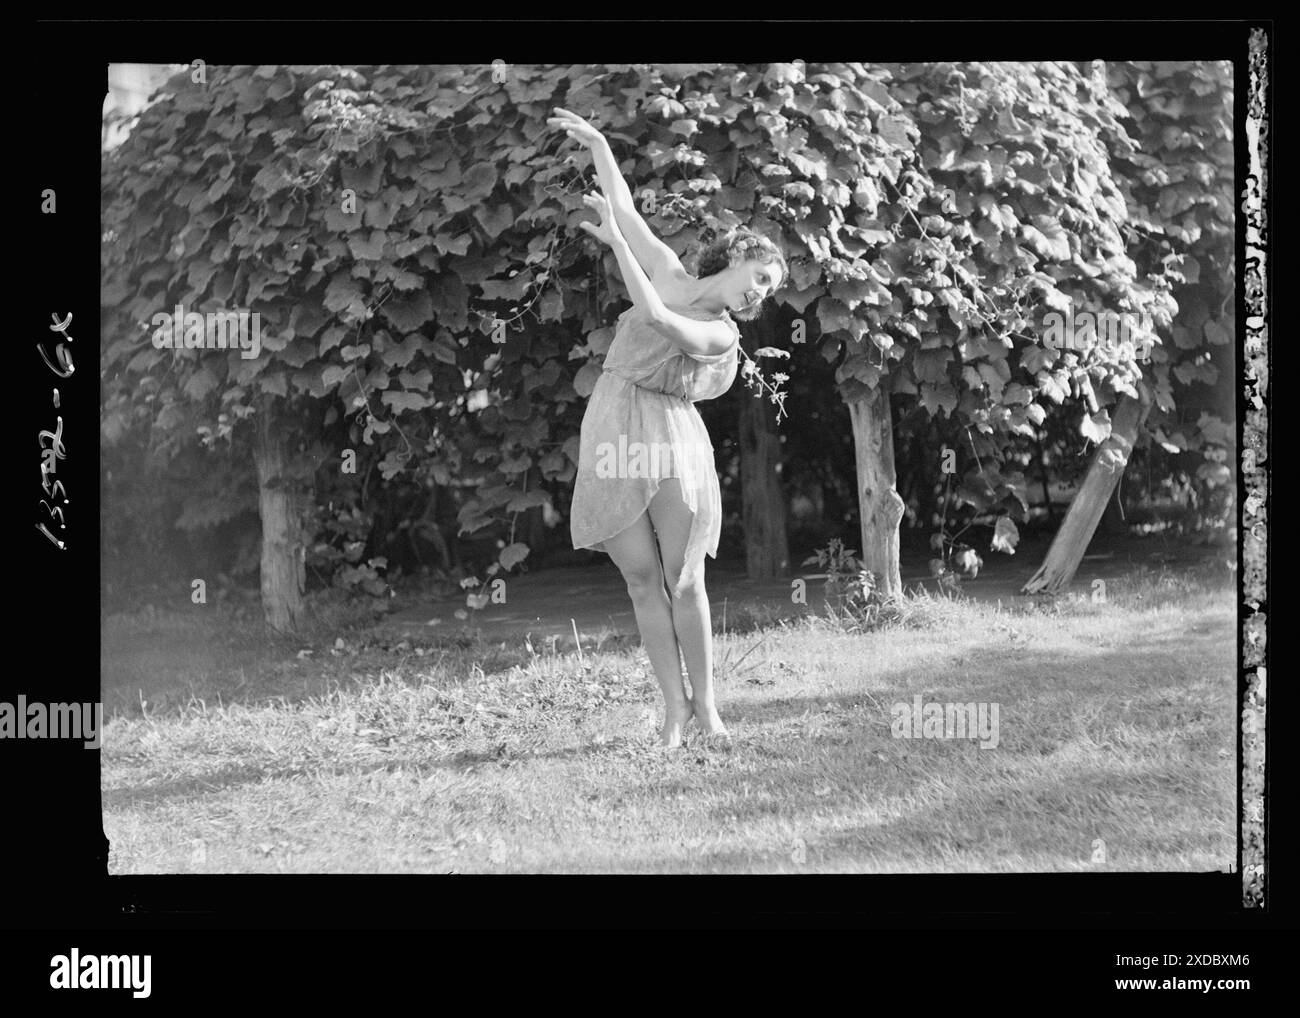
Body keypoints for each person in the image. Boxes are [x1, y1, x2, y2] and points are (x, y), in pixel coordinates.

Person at [549, 107, 787, 748]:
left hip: (671, 436)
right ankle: (673, 709)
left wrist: (618, 247)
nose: (760, 293)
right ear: (738, 256)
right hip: (615, 419)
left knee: (684, 577)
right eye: (760, 277)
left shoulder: (721, 333)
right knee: (637, 578)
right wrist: (600, 142)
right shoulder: (675, 271)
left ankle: (707, 708)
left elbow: (654, 317)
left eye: (769, 290)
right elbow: (624, 207)